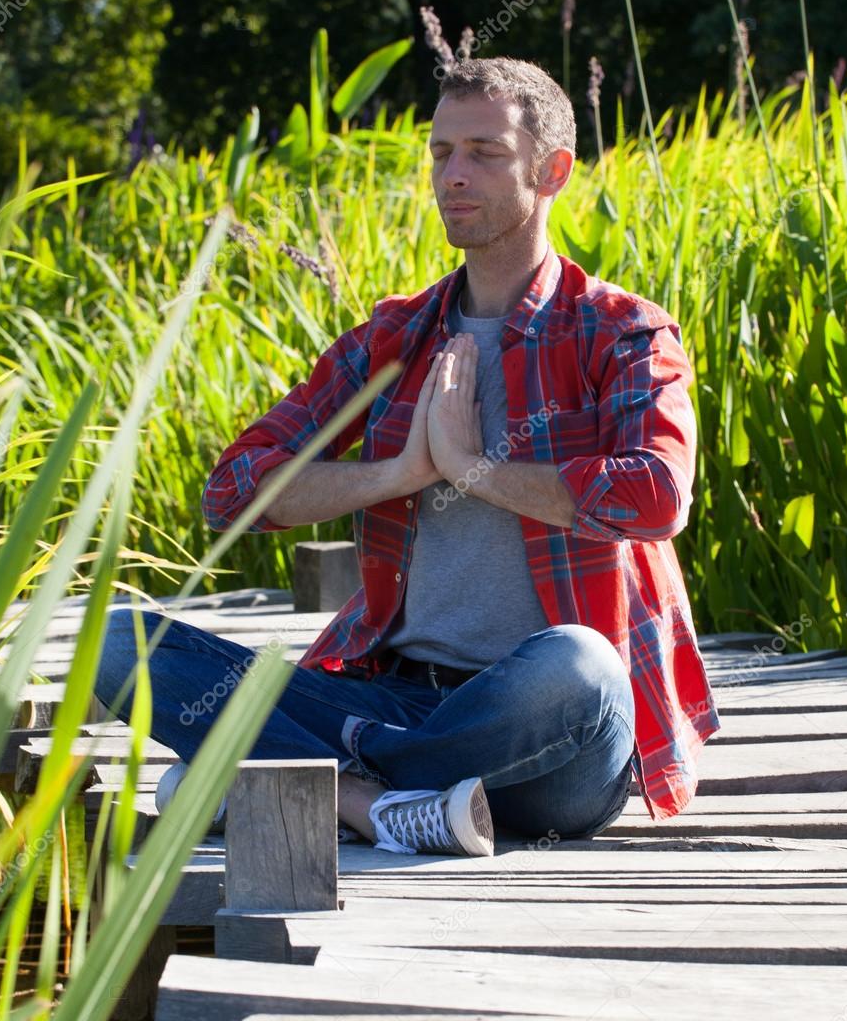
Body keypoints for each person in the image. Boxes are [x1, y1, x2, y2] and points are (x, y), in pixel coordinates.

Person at [95, 56, 719, 858]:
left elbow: (659, 495)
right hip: (391, 700)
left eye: (483, 153)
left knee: (583, 663)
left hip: (545, 741)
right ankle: (375, 798)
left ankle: (295, 779)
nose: (452, 176)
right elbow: (232, 492)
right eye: (440, 153)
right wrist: (399, 475)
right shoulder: (395, 337)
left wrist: (475, 470)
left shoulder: (623, 331)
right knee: (117, 644)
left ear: (552, 169)